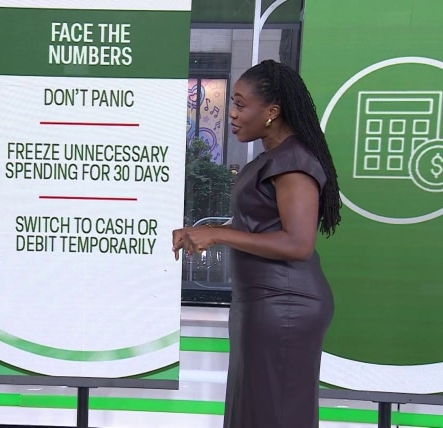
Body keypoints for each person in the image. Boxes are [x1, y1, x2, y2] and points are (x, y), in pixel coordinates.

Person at [172, 59, 341, 428]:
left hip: (285, 306)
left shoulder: (293, 161)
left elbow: (298, 243)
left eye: (240, 104)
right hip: (265, 303)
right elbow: (259, 225)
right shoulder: (275, 158)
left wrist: (216, 235)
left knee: (272, 414)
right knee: (255, 410)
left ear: (272, 112)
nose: (232, 114)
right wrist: (206, 230)